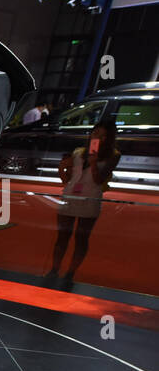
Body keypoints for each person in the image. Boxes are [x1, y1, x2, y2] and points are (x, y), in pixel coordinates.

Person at [47, 120, 120, 287]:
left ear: (109, 139)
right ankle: (54, 269)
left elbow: (99, 179)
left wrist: (94, 163)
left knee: (81, 237)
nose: (98, 138)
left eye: (103, 136)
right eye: (95, 134)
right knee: (62, 236)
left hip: (91, 198)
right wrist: (62, 169)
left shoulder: (113, 155)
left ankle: (70, 273)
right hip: (70, 197)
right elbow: (67, 179)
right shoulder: (79, 152)